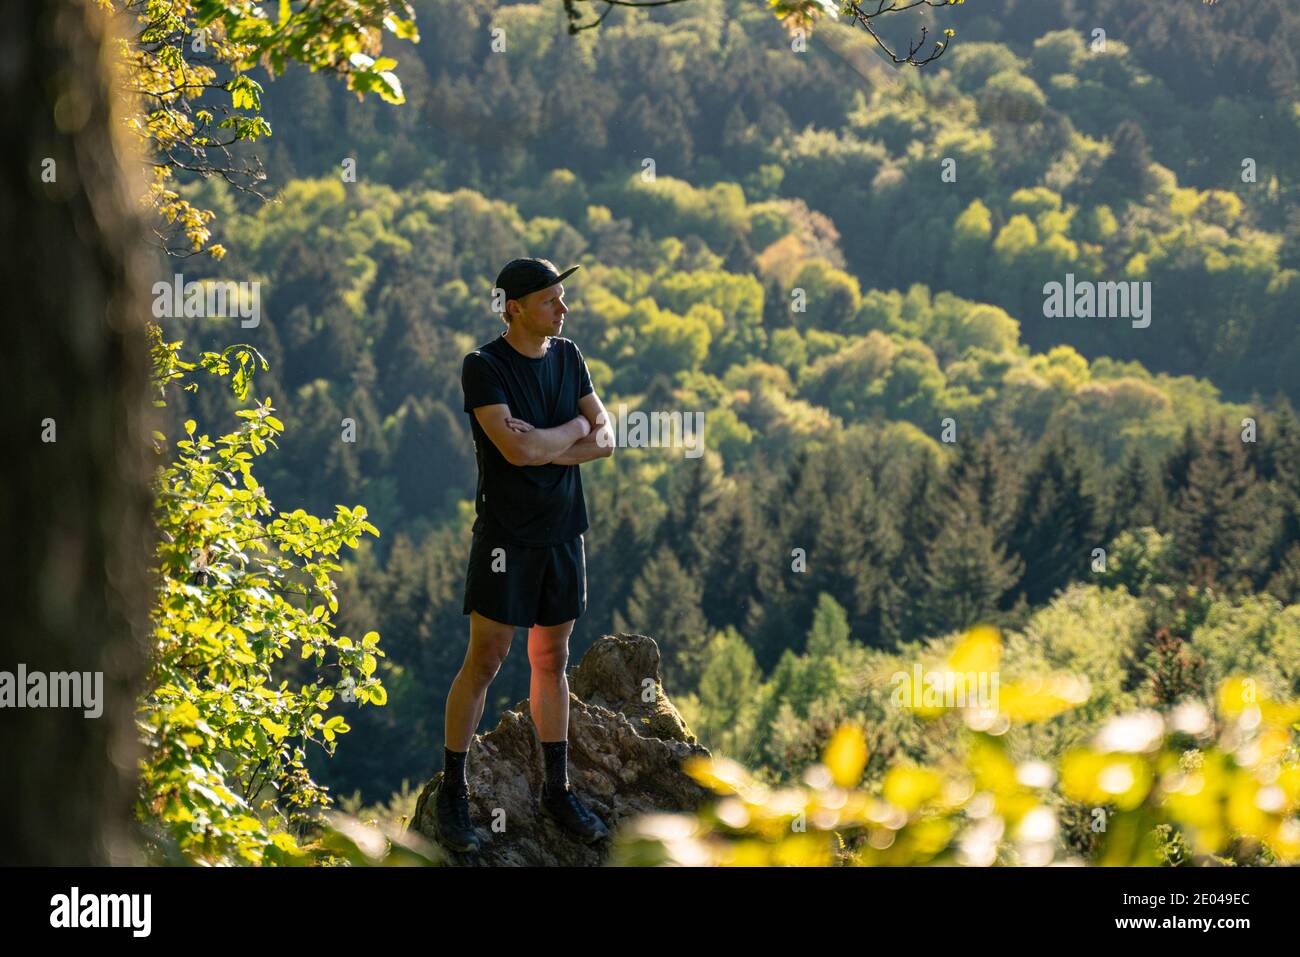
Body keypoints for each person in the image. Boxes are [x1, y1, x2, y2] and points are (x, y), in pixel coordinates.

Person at [432, 258, 616, 853]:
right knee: (486, 659)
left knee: (552, 657)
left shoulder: (570, 356)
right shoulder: (483, 367)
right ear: (513, 307)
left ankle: (556, 790)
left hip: (564, 531)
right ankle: (452, 796)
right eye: (550, 301)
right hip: (506, 538)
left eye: (562, 299)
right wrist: (568, 434)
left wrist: (547, 441)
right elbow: (514, 453)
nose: (563, 311)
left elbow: (605, 437)